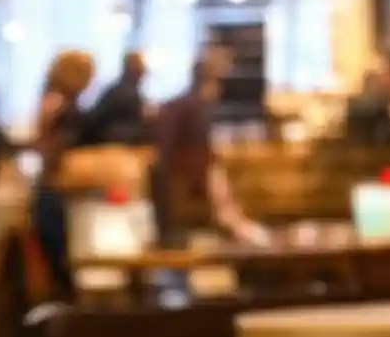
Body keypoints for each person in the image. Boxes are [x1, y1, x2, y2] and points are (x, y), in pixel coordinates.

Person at [154, 54, 266, 248]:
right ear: (216, 81)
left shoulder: (175, 106)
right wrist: (232, 218)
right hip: (191, 215)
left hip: (166, 210)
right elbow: (205, 169)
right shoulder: (195, 111)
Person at [31, 51, 96, 296]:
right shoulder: (57, 105)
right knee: (63, 264)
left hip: (54, 191)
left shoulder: (52, 101)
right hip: (57, 192)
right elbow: (49, 148)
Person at [85, 51, 150, 146]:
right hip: (108, 142)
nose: (145, 72)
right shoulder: (124, 92)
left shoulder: (120, 88)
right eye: (141, 68)